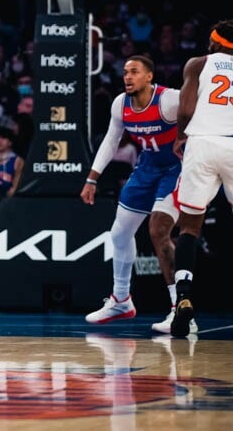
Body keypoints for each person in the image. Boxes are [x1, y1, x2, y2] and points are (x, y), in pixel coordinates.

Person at [80, 55, 188, 333]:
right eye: (126, 72)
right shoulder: (120, 104)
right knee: (119, 234)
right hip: (146, 168)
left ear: (149, 76)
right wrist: (92, 178)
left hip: (176, 168)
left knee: (158, 231)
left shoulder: (170, 100)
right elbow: (111, 140)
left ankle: (180, 309)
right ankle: (121, 300)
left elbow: (200, 111)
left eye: (134, 72)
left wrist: (189, 137)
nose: (127, 77)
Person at [170, 21, 233, 337]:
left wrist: (180, 136)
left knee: (189, 226)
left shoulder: (198, 64)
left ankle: (183, 296)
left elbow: (185, 108)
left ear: (216, 42)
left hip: (203, 143)